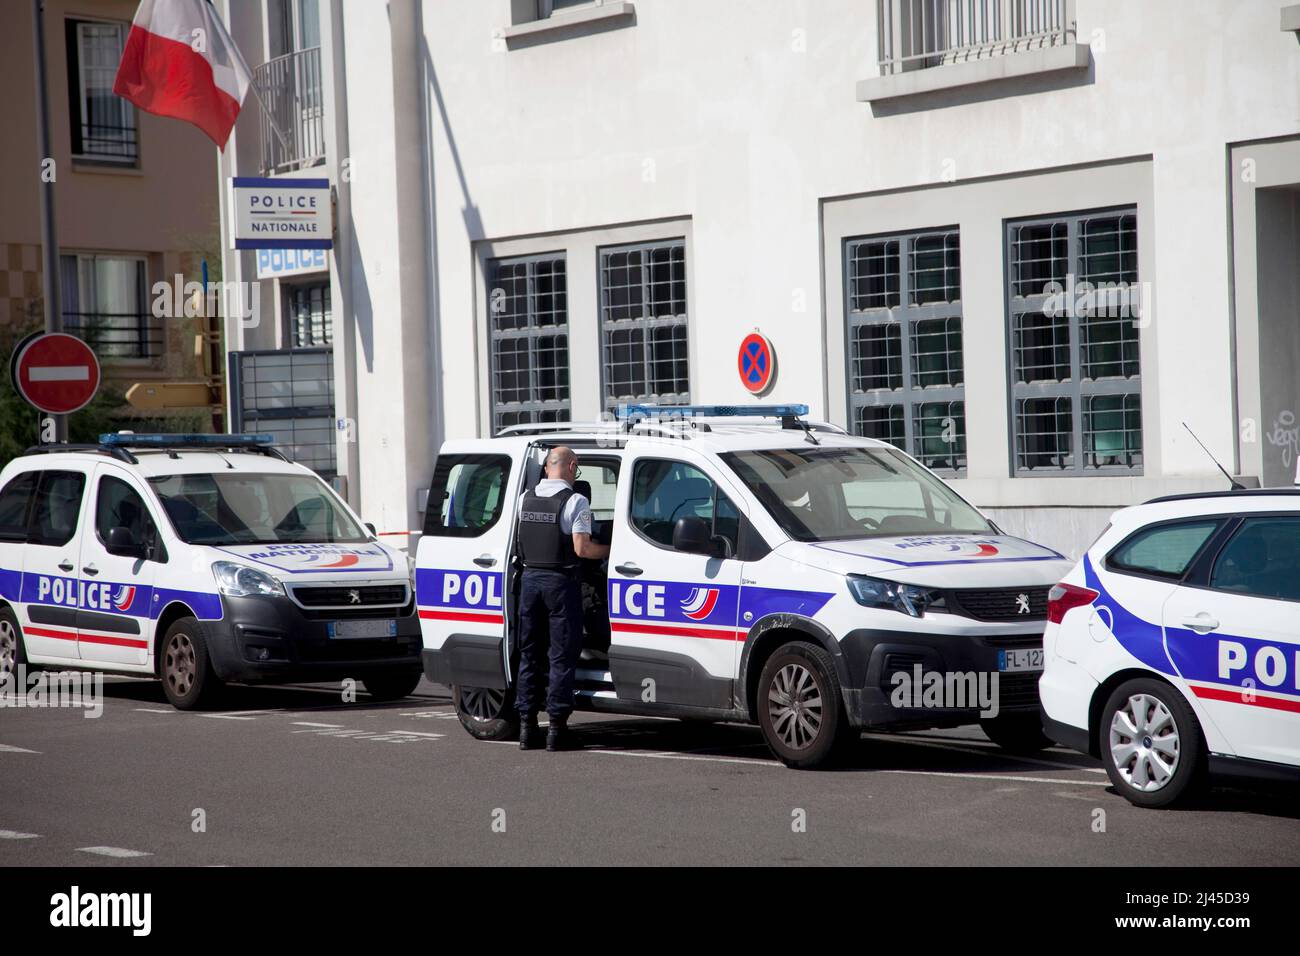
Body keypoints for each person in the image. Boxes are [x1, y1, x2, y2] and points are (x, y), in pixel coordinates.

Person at [515, 446, 609, 751]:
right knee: (561, 655)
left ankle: (527, 729)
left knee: (529, 654)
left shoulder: (523, 499)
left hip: (529, 582)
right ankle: (557, 729)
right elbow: (583, 550)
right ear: (570, 468)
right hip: (560, 583)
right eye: (577, 469)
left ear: (546, 468)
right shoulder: (576, 501)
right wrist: (613, 550)